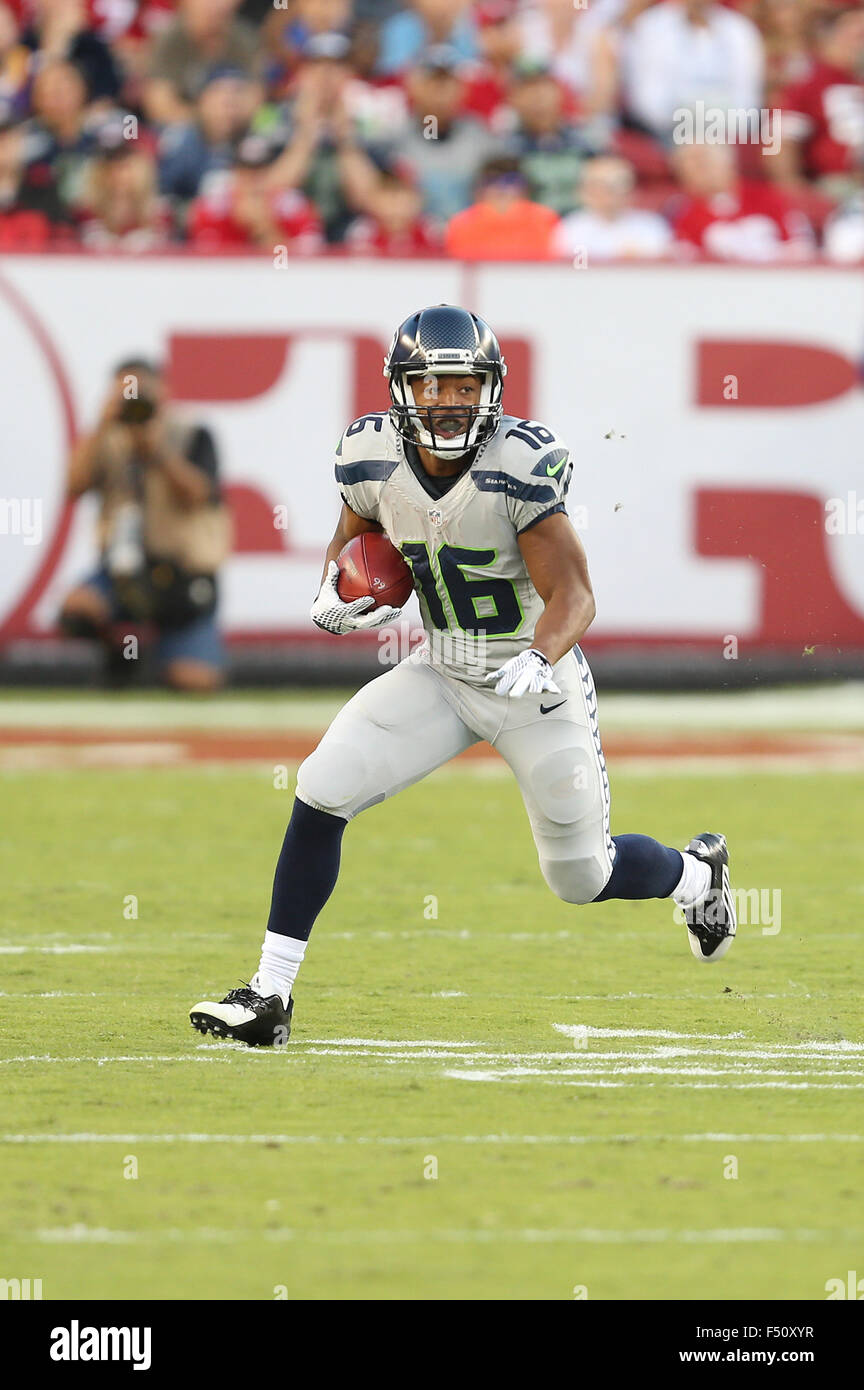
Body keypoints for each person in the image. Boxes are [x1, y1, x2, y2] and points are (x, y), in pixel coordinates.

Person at [190, 304, 737, 1046]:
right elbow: (355, 545)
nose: (449, 402)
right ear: (401, 390)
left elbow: (574, 596)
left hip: (531, 685)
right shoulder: (368, 455)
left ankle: (697, 876)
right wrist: (337, 592)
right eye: (433, 385)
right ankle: (269, 997)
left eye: (465, 385)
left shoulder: (518, 466)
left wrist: (540, 656)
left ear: (492, 389)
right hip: (444, 672)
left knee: (580, 878)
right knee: (321, 787)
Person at [60, 358, 230, 691]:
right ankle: (123, 655)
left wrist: (156, 451)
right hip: (122, 571)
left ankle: (154, 660)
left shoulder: (191, 433)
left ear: (162, 393)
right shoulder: (108, 441)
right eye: (125, 393)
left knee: (193, 681)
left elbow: (199, 494)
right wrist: (102, 423)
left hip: (182, 574)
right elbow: (73, 487)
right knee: (78, 609)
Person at [553, 154, 672, 260]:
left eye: (615, 186)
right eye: (597, 186)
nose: (605, 193)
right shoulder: (571, 228)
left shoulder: (651, 225)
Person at [444, 155, 559, 259]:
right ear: (479, 189)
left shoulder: (545, 220)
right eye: (491, 181)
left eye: (510, 180)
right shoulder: (461, 224)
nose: (501, 188)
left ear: (525, 188)